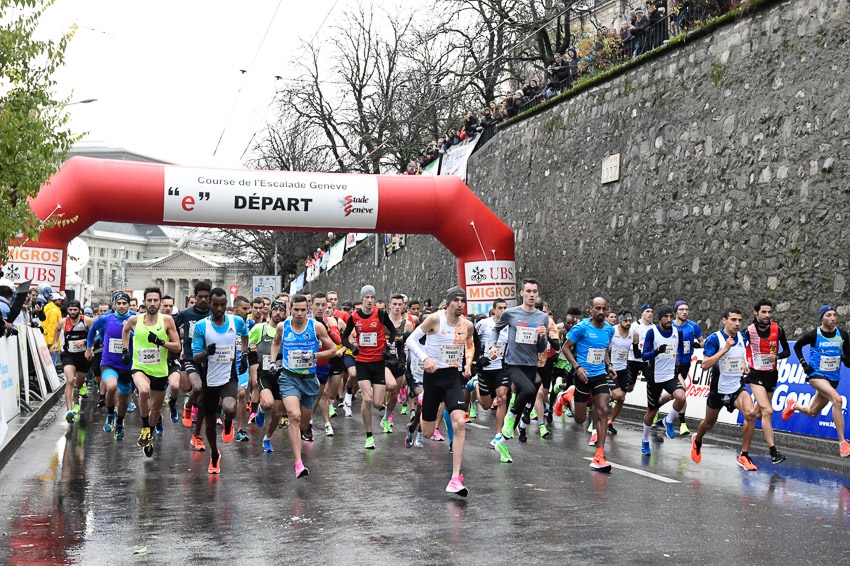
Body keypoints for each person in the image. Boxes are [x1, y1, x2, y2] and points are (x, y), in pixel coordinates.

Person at [406, 286, 474, 496]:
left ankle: (455, 478)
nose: (460, 305)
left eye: (463, 301)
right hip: (433, 377)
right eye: (456, 300)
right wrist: (425, 359)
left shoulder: (467, 325)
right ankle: (420, 408)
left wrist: (468, 364)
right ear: (449, 302)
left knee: (460, 423)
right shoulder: (435, 319)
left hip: (453, 378)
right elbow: (411, 340)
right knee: (427, 433)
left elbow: (470, 345)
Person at [269, 294, 338, 477]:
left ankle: (303, 433)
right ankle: (298, 463)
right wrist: (273, 361)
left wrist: (313, 356)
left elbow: (333, 349)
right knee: (294, 415)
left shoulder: (316, 327)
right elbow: (275, 342)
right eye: (296, 310)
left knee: (304, 423)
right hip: (288, 377)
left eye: (302, 310)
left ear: (308, 310)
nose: (299, 313)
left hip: (309, 379)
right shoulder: (283, 326)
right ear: (290, 309)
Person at [487, 279, 549, 462]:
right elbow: (495, 330)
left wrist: (542, 337)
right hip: (512, 363)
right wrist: (492, 346)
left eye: (534, 291)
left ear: (537, 294)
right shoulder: (511, 313)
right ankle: (511, 416)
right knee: (529, 390)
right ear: (522, 293)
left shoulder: (542, 317)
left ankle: (503, 443)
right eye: (528, 291)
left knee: (524, 400)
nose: (531, 295)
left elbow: (540, 348)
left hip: (530, 364)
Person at [690, 308, 759, 471]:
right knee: (708, 423)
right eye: (733, 320)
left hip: (737, 388)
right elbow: (705, 365)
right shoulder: (715, 339)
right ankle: (697, 439)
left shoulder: (742, 337)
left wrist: (744, 364)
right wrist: (724, 350)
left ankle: (744, 455)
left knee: (750, 413)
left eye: (739, 320)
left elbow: (740, 354)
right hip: (718, 391)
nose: (737, 324)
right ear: (724, 320)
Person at [191, 288, 249, 474]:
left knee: (230, 407)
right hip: (209, 379)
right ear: (210, 304)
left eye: (222, 305)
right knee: (209, 424)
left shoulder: (236, 321)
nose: (219, 308)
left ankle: (228, 421)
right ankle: (215, 454)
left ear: (226, 305)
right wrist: (206, 352)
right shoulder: (201, 326)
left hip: (228, 376)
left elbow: (245, 334)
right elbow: (196, 357)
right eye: (215, 305)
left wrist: (245, 354)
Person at [555, 297, 616, 472]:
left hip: (600, 375)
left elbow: (603, 349)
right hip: (583, 376)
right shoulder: (581, 328)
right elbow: (565, 348)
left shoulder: (609, 329)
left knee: (603, 409)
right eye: (598, 308)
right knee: (580, 419)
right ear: (591, 309)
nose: (601, 312)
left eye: (604, 308)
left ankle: (599, 455)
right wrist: (577, 367)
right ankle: (566, 397)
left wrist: (609, 365)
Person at [782, 305, 850, 458]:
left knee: (813, 412)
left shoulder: (843, 335)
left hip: (833, 379)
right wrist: (804, 364)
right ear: (821, 318)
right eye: (828, 315)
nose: (833, 318)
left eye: (834, 315)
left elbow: (849, 361)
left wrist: (844, 358)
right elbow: (797, 347)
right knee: (837, 400)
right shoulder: (814, 334)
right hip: (816, 376)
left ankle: (793, 405)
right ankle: (842, 443)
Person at [122, 287, 181, 457]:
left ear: (160, 302)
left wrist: (161, 342)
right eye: (149, 300)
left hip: (160, 370)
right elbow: (125, 331)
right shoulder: (135, 320)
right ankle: (145, 427)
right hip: (139, 367)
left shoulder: (167, 321)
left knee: (156, 409)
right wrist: (125, 350)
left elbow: (177, 346)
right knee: (143, 391)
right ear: (144, 302)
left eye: (156, 300)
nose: (152, 303)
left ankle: (150, 435)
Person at [340, 285, 398, 450]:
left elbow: (393, 331)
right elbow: (344, 338)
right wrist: (352, 348)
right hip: (362, 362)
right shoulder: (355, 317)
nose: (370, 300)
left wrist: (388, 347)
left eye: (372, 297)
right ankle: (369, 436)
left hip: (378, 363)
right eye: (367, 297)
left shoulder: (380, 313)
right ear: (362, 299)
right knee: (367, 399)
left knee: (377, 403)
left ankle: (383, 416)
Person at [745, 299, 791, 463]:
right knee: (768, 411)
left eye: (769, 312)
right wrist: (743, 363)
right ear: (755, 312)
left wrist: (777, 356)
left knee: (758, 413)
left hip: (771, 375)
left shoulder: (778, 329)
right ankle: (773, 452)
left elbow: (787, 351)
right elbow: (738, 347)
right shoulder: (748, 331)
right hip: (755, 374)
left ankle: (749, 416)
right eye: (763, 312)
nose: (767, 315)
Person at [86, 292, 134, 439]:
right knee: (111, 386)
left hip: (127, 365)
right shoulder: (106, 319)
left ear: (128, 305)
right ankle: (110, 413)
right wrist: (89, 347)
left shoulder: (135, 319)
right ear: (114, 305)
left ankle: (119, 423)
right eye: (118, 303)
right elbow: (92, 329)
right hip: (109, 363)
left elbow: (142, 336)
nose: (121, 306)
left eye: (124, 303)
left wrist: (130, 332)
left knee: (124, 399)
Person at [639, 304, 685, 455]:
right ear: (660, 319)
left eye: (671, 316)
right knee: (651, 412)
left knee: (681, 396)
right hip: (655, 376)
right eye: (666, 317)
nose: (669, 319)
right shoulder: (652, 333)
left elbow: (680, 349)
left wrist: (679, 362)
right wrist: (657, 351)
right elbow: (644, 356)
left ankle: (668, 420)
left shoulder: (677, 332)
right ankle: (645, 440)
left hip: (670, 375)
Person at [172, 281, 212, 452]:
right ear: (194, 297)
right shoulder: (186, 314)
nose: (203, 300)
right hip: (191, 358)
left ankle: (196, 436)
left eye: (206, 297)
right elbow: (171, 327)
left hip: (210, 361)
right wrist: (178, 345)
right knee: (197, 387)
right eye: (200, 296)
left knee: (203, 402)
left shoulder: (214, 314)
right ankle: (188, 406)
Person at [249, 298, 288, 452]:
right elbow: (248, 346)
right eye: (275, 310)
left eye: (281, 310)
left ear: (285, 313)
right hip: (264, 374)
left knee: (277, 414)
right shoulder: (260, 328)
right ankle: (260, 409)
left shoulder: (287, 330)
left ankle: (267, 438)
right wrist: (251, 365)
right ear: (270, 311)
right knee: (268, 403)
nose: (278, 313)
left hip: (281, 375)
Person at [475, 299, 512, 461]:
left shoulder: (510, 326)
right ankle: (476, 384)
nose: (503, 310)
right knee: (486, 405)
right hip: (485, 369)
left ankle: (498, 434)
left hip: (501, 369)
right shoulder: (483, 324)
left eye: (505, 308)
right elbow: (472, 342)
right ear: (493, 310)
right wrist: (478, 359)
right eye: (500, 308)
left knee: (502, 397)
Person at [52, 300, 93, 424]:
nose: (73, 312)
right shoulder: (63, 322)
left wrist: (85, 342)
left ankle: (76, 396)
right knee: (70, 380)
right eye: (70, 310)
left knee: (78, 384)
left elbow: (94, 336)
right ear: (67, 310)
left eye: (75, 310)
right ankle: (69, 411)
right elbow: (57, 329)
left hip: (83, 356)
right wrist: (55, 343)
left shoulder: (87, 321)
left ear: (79, 310)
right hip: (68, 354)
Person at [671, 300, 703, 435]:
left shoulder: (693, 326)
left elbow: (702, 341)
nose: (684, 312)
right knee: (682, 391)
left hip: (685, 363)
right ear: (676, 312)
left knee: (672, 395)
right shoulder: (669, 325)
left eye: (686, 309)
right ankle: (682, 423)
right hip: (671, 364)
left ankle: (655, 408)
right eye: (681, 310)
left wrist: (698, 345)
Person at [606, 309, 635, 435]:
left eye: (630, 320)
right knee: (617, 395)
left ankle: (610, 422)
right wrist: (608, 364)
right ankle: (598, 398)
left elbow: (636, 351)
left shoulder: (633, 334)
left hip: (623, 369)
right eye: (625, 321)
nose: (628, 323)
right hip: (611, 368)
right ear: (620, 321)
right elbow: (605, 349)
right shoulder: (612, 331)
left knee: (622, 398)